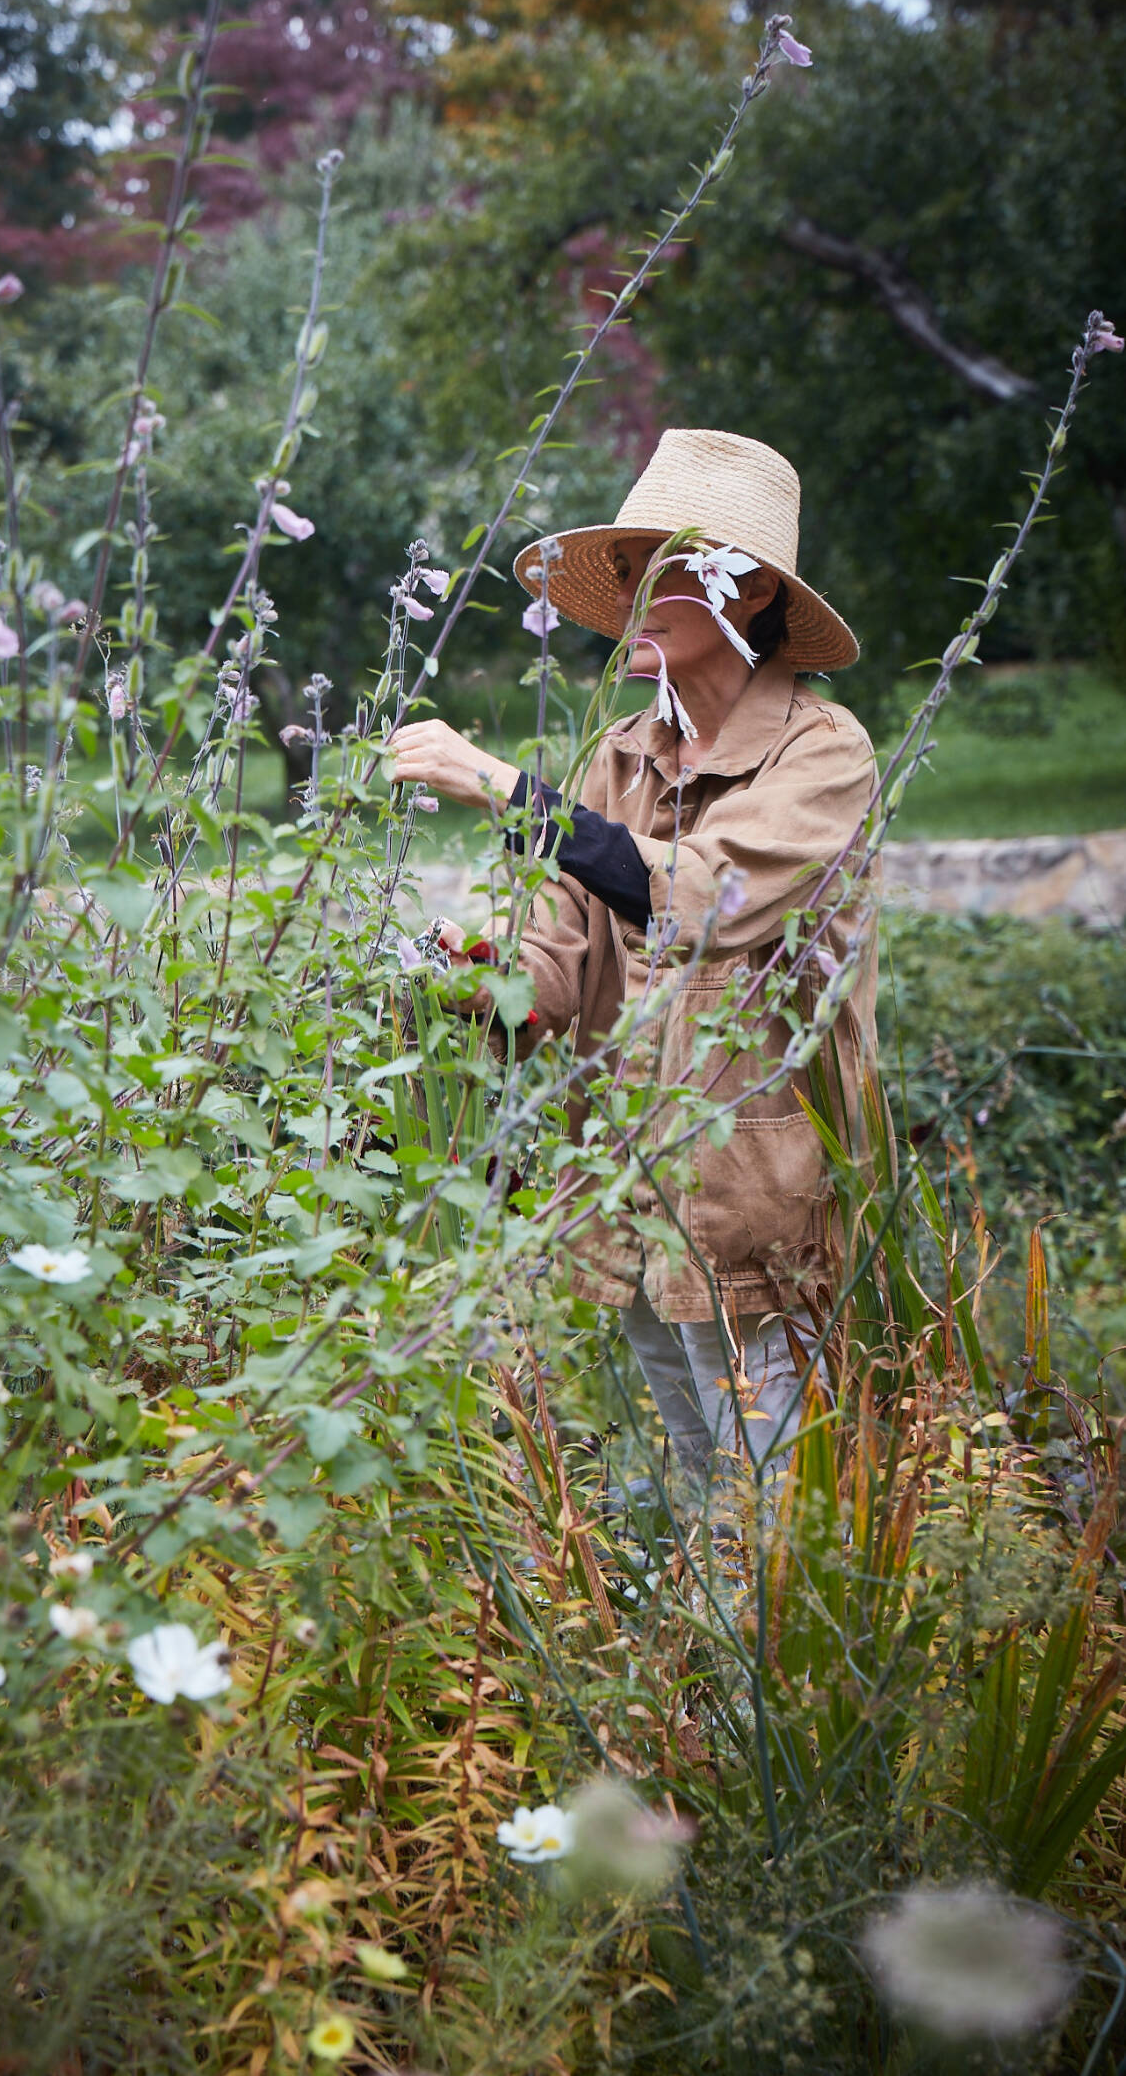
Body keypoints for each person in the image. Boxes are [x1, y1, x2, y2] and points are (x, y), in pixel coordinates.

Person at [386, 429, 880, 1508]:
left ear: (747, 595)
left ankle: (780, 1684)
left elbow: (707, 896)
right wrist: (446, 970)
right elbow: (549, 964)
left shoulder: (820, 751)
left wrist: (510, 791)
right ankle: (700, 1681)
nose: (633, 593)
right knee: (698, 1482)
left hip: (755, 1193)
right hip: (631, 1184)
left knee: (775, 1499)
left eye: (669, 567)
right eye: (627, 569)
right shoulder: (615, 756)